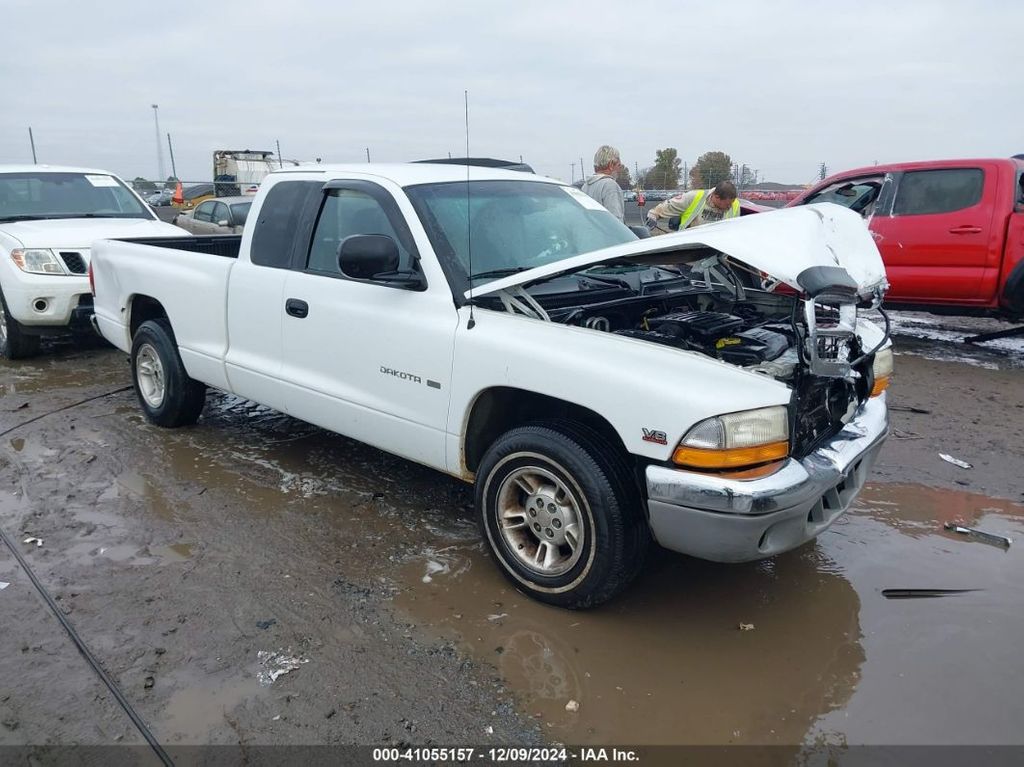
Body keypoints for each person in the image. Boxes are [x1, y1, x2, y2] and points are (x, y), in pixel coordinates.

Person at [646, 180, 740, 233]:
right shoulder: (694, 197)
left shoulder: (735, 205)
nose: (729, 207)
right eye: (727, 204)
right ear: (717, 197)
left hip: (716, 253)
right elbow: (665, 208)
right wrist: (653, 216)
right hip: (690, 251)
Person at [579, 145, 625, 221]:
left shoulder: (585, 186)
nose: (619, 170)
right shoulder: (610, 185)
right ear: (611, 165)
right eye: (618, 165)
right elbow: (615, 221)